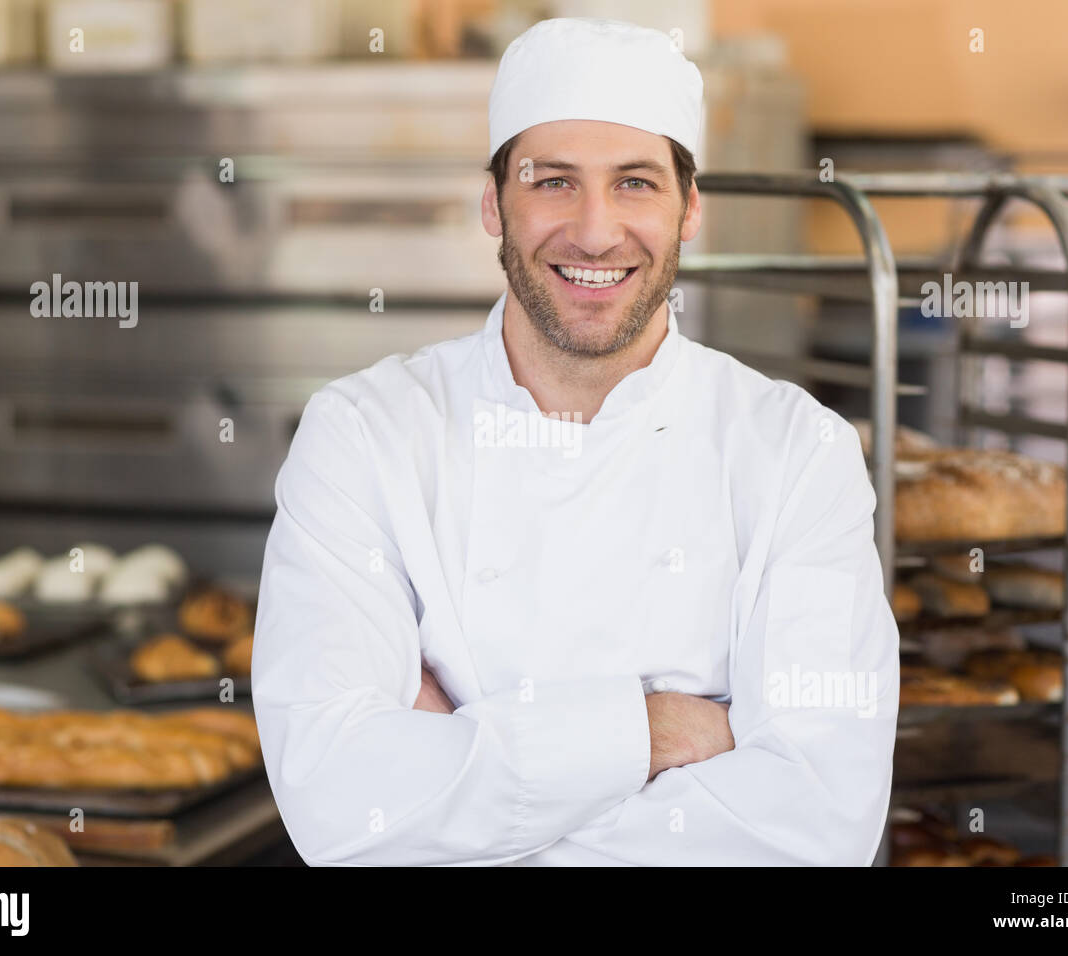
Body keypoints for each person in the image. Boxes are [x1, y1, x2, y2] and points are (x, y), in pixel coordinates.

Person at [252, 17, 899, 866]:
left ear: (690, 208)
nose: (595, 231)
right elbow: (342, 803)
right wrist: (658, 730)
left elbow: (819, 824)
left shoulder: (796, 454)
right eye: (553, 182)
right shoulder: (365, 437)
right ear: (494, 202)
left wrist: (463, 767)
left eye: (635, 183)